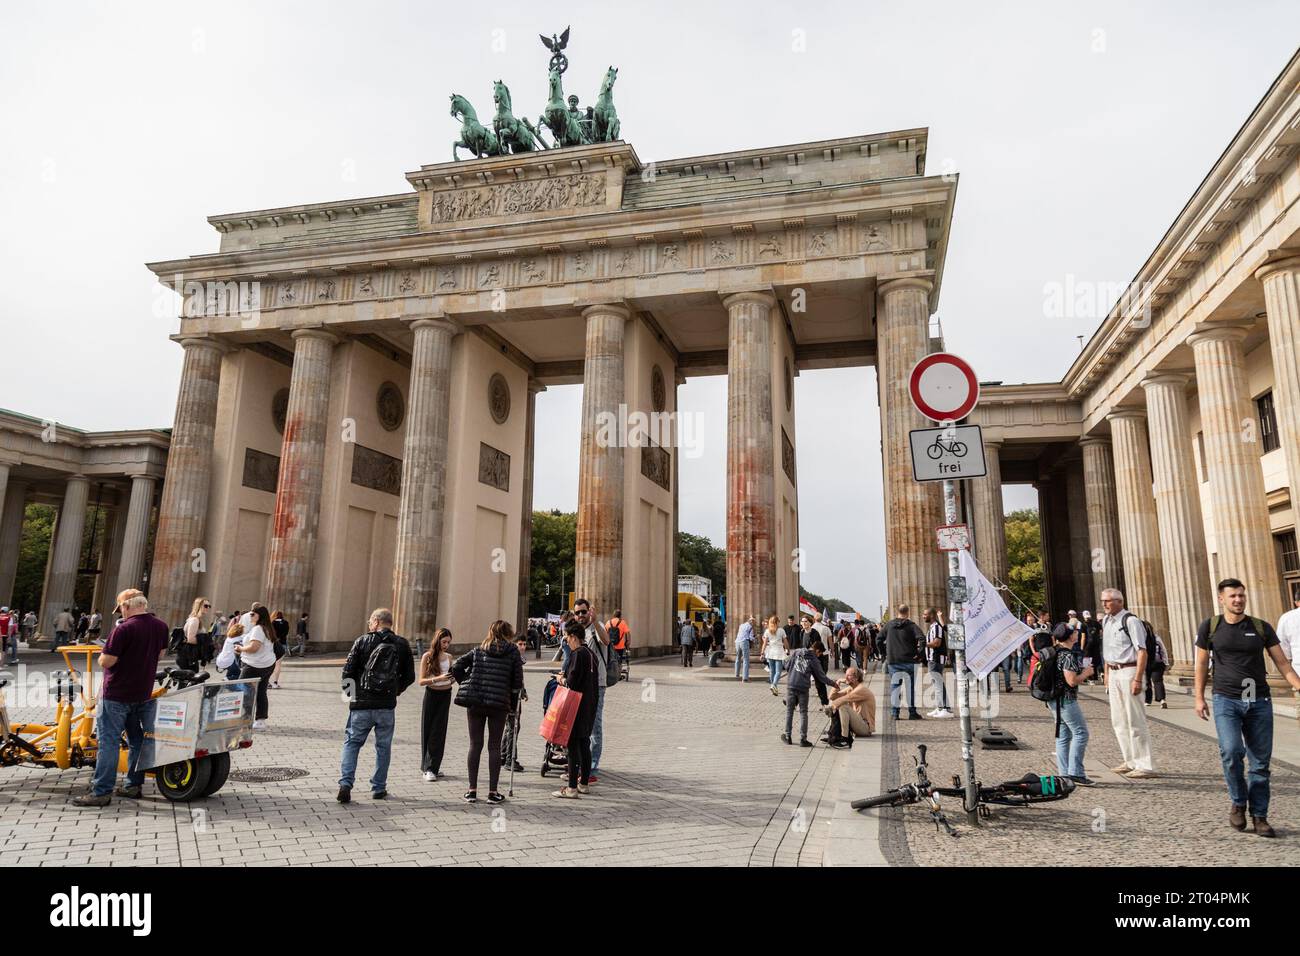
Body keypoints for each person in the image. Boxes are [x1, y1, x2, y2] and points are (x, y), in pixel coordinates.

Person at [1194, 579, 1300, 838]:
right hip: (1225, 699)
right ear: (1222, 599)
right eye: (1233, 596)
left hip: (1258, 700)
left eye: (1241, 595)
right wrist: (1199, 696)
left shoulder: (1261, 627)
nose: (1238, 600)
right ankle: (1239, 802)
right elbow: (1200, 664)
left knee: (1259, 763)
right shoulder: (1210, 626)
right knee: (1231, 752)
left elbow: (1283, 664)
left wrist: (1298, 686)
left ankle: (1260, 815)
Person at [71, 590, 168, 807]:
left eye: (121, 609)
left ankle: (101, 792)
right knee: (137, 741)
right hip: (143, 693)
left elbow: (107, 661)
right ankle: (133, 785)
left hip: (116, 694)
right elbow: (159, 655)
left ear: (126, 606)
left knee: (109, 743)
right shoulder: (161, 626)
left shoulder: (124, 629)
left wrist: (103, 655)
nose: (121, 613)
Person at [336, 608, 415, 803]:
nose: (369, 624)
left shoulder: (362, 641)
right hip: (386, 705)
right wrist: (397, 690)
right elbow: (410, 676)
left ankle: (346, 784)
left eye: (370, 621)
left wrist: (352, 697)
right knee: (383, 746)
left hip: (361, 704)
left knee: (352, 743)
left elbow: (347, 673)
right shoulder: (402, 644)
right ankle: (379, 787)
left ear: (376, 621)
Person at [451, 619, 524, 804]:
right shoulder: (513, 651)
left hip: (476, 701)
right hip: (499, 703)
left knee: (475, 744)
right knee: (494, 746)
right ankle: (492, 792)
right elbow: (517, 683)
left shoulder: (479, 649)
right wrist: (513, 707)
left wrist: (466, 683)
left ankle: (472, 790)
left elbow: (456, 666)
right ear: (508, 633)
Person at [1099, 588, 1156, 778]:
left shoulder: (1131, 621)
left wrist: (1138, 678)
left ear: (1119, 602)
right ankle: (1130, 760)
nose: (1104, 604)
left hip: (1130, 671)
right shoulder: (1106, 621)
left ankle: (1145, 764)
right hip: (1114, 672)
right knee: (1119, 720)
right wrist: (1107, 674)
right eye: (1103, 601)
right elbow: (1107, 650)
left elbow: (1142, 651)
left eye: (1108, 601)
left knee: (1135, 719)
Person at [1044, 618, 1097, 786]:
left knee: (1062, 736)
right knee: (1081, 733)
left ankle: (1064, 773)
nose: (1077, 633)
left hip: (1055, 700)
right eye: (1074, 632)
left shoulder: (1056, 651)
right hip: (1066, 700)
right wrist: (1087, 673)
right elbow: (1072, 681)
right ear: (1069, 637)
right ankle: (1076, 773)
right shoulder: (1067, 655)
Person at [553, 620, 598, 798]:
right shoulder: (591, 654)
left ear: (573, 637)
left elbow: (571, 682)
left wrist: (560, 680)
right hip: (589, 705)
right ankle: (584, 784)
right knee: (585, 744)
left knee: (572, 746)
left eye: (566, 638)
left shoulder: (577, 654)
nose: (566, 642)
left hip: (576, 706)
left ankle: (571, 788)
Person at [574, 598, 612, 781]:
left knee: (594, 727)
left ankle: (592, 769)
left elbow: (606, 641)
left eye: (584, 611)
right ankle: (580, 766)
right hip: (581, 685)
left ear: (590, 611)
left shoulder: (598, 626)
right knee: (580, 726)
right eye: (578, 612)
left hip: (597, 684)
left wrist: (596, 621)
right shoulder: (576, 631)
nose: (581, 615)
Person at [417, 628, 454, 781]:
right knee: (429, 728)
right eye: (444, 642)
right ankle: (427, 767)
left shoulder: (449, 657)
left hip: (446, 694)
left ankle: (434, 766)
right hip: (432, 694)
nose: (446, 645)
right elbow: (421, 681)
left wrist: (453, 678)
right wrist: (438, 678)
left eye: (448, 642)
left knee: (440, 730)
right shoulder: (427, 656)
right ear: (437, 640)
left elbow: (451, 677)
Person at [781, 642, 834, 746]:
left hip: (791, 685)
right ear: (817, 650)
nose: (819, 656)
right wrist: (833, 684)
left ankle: (788, 736)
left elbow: (786, 665)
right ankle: (803, 739)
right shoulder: (813, 659)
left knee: (789, 711)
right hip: (803, 688)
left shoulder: (796, 652)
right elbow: (821, 676)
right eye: (820, 654)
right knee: (803, 713)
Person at [236, 604, 278, 730]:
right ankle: (260, 720)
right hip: (267, 664)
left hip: (254, 665)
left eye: (253, 614)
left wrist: (240, 648)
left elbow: (254, 647)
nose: (250, 615)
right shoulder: (267, 628)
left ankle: (242, 719)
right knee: (261, 692)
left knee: (242, 691)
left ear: (260, 616)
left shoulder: (258, 629)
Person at [882, 604, 925, 720]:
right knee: (910, 688)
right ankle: (912, 712)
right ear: (908, 612)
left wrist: (884, 654)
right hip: (910, 661)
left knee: (895, 687)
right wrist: (919, 654)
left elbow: (878, 639)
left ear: (897, 611)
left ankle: (895, 713)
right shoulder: (912, 626)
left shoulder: (889, 625)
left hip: (894, 661)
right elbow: (922, 638)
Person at [825, 665, 877, 747]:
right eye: (845, 675)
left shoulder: (861, 689)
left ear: (856, 678)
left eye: (848, 675)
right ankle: (834, 736)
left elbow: (845, 699)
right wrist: (837, 682)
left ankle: (845, 739)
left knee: (842, 706)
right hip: (857, 723)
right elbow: (832, 697)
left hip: (865, 727)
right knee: (840, 705)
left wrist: (831, 707)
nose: (845, 677)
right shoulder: (850, 688)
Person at [501, 634, 530, 774]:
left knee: (510, 726)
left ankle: (502, 755)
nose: (523, 647)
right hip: (511, 697)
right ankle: (509, 759)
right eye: (520, 644)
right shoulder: (513, 659)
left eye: (524, 644)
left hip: (515, 694)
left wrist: (523, 691)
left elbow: (519, 678)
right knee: (514, 726)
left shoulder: (517, 659)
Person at [923, 607, 952, 717]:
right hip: (933, 658)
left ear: (931, 615)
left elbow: (936, 643)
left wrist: (924, 644)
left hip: (936, 659)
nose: (923, 616)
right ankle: (941, 707)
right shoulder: (933, 627)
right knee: (937, 684)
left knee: (938, 684)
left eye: (925, 614)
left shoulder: (936, 627)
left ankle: (944, 709)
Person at [761, 614, 788, 696]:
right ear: (777, 622)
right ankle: (774, 685)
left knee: (772, 671)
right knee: (778, 671)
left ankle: (773, 687)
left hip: (770, 652)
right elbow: (785, 641)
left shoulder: (767, 631)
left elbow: (765, 643)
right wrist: (788, 650)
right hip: (779, 652)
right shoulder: (781, 630)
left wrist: (762, 653)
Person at [1144, 626, 1170, 708]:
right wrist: (1166, 662)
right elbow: (1163, 650)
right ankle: (1162, 699)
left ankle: (1147, 700)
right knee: (1158, 681)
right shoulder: (1157, 638)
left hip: (1146, 663)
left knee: (1146, 681)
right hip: (1158, 662)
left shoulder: (1142, 639)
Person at [180, 597, 209, 671]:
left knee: (191, 679)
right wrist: (205, 642)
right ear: (198, 606)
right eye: (205, 606)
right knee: (193, 678)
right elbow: (191, 639)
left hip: (190, 654)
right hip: (188, 654)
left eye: (209, 606)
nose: (208, 608)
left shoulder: (196, 619)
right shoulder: (195, 620)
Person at [268, 610, 289, 688]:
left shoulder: (272, 623)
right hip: (282, 644)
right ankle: (275, 682)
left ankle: (268, 682)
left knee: (270, 664)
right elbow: (286, 633)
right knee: (278, 664)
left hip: (273, 644)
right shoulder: (286, 623)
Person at [1082, 609, 1104, 684]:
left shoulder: (1083, 624)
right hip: (1096, 643)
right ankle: (1101, 673)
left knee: (1087, 660)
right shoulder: (1096, 623)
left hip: (1088, 644)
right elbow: (1101, 633)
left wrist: (1082, 647)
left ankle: (1090, 679)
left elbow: (1083, 637)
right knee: (1097, 659)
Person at [734, 615, 755, 682]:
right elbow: (751, 638)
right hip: (744, 642)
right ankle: (745, 678)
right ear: (751, 621)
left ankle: (736, 674)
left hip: (737, 642)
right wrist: (754, 638)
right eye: (753, 621)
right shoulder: (750, 627)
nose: (753, 622)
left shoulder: (741, 625)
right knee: (746, 659)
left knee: (738, 658)